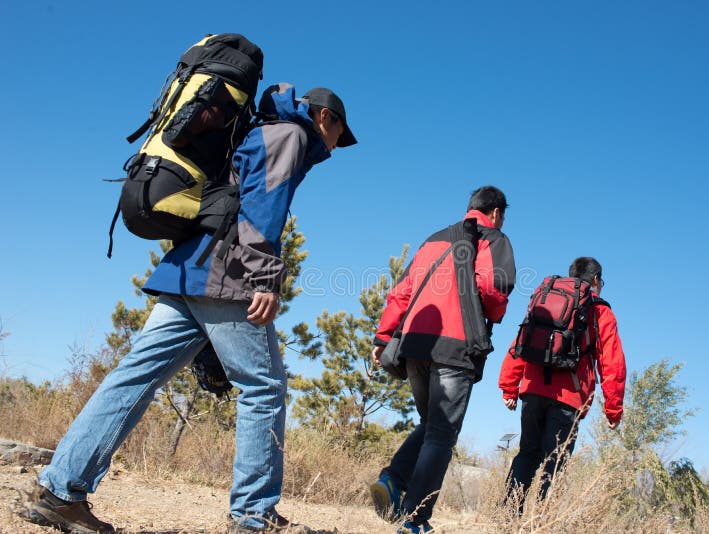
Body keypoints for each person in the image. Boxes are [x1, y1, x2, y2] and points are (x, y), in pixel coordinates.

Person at [26, 84, 357, 534]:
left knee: (134, 377)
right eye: (341, 133)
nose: (338, 145)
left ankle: (60, 491)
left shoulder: (258, 129)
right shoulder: (290, 135)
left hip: (188, 268)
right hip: (227, 272)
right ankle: (254, 515)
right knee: (263, 389)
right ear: (325, 118)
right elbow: (263, 204)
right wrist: (264, 276)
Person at [369, 186, 516, 534]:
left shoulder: (434, 239)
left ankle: (392, 480)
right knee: (441, 433)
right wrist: (492, 314)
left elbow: (402, 291)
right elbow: (494, 290)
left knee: (431, 423)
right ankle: (414, 519)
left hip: (414, 348)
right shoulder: (494, 237)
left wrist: (383, 336)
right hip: (455, 346)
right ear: (495, 212)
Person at [498, 256, 626, 512]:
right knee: (554, 462)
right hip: (569, 397)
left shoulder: (546, 299)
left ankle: (506, 519)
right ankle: (543, 524)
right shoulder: (599, 311)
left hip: (532, 389)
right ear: (597, 280)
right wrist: (613, 409)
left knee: (527, 454)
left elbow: (520, 342)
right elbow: (612, 363)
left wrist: (509, 386)